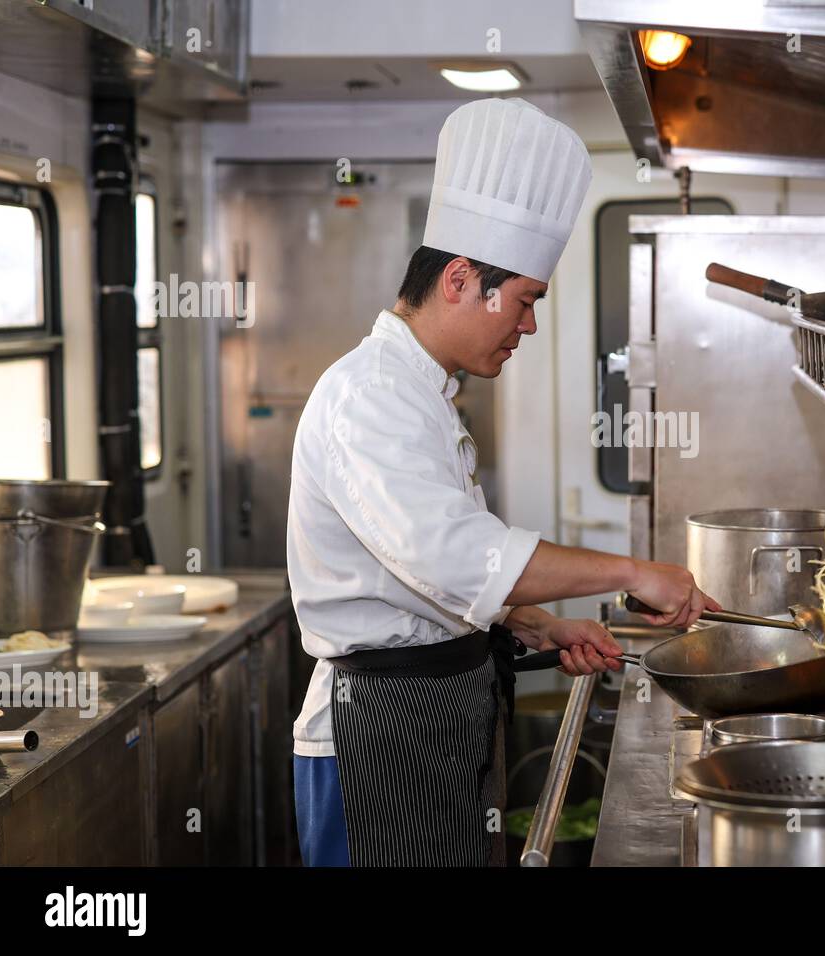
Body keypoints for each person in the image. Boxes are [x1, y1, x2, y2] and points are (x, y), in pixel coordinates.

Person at [287, 97, 718, 866]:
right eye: (523, 303)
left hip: (435, 715)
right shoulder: (369, 396)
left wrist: (540, 625)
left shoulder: (422, 392)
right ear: (460, 279)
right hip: (375, 737)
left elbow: (432, 580)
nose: (529, 327)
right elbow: (456, 555)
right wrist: (631, 572)